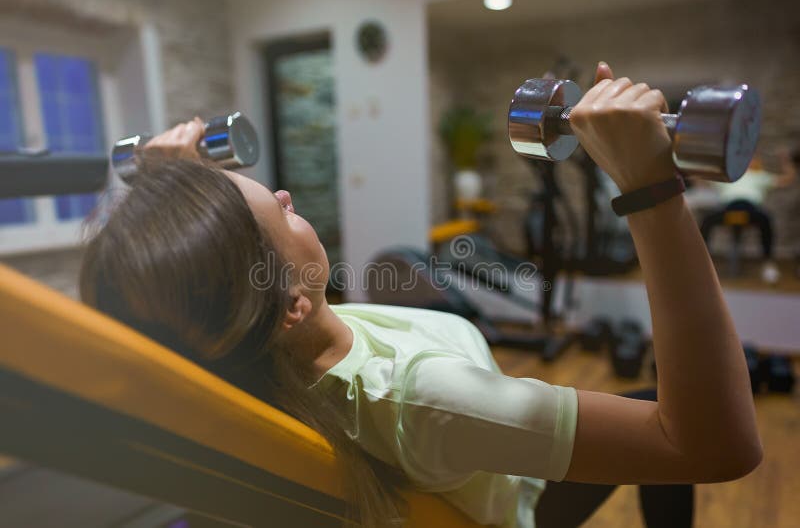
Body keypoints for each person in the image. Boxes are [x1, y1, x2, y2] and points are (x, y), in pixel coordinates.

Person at [79, 62, 761, 528]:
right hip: (519, 496)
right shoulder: (423, 395)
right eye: (282, 213)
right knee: (651, 412)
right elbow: (710, 445)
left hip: (429, 411)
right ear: (290, 303)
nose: (288, 195)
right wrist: (649, 187)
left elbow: (181, 284)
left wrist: (174, 192)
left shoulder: (232, 350)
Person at [692, 150, 797, 284]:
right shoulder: (729, 176)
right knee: (707, 220)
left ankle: (768, 263)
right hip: (728, 208)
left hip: (750, 209)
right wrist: (702, 160)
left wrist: (785, 161)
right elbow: (699, 178)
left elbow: (787, 179)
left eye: (751, 159)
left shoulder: (761, 176)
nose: (748, 161)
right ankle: (701, 263)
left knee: (766, 220)